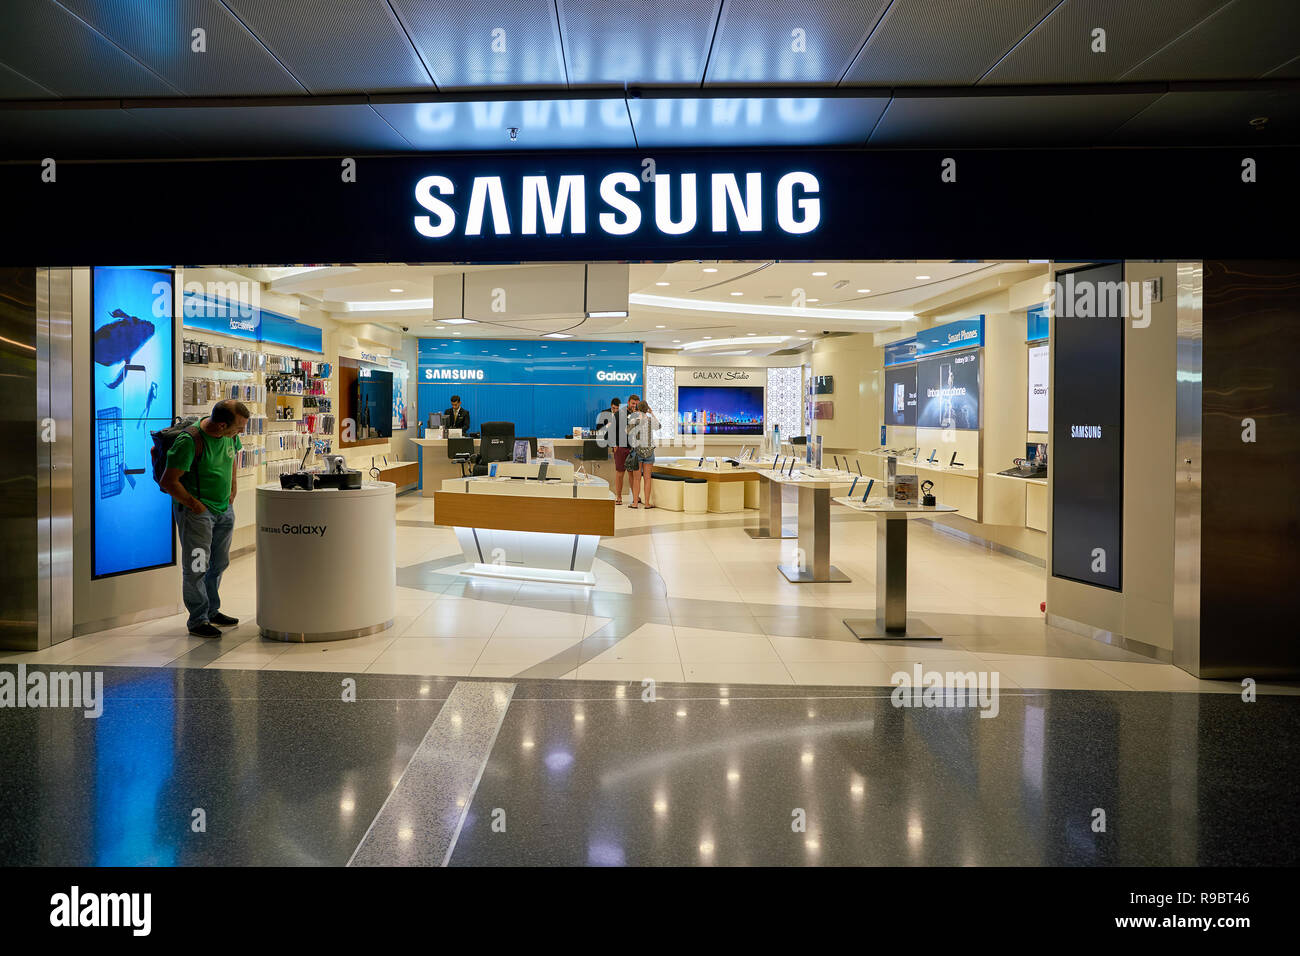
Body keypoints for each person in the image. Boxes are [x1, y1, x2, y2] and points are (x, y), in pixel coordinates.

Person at [160, 399, 249, 637]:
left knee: (219, 563)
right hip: (197, 515)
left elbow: (231, 461)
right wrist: (194, 505)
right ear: (221, 425)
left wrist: (233, 489)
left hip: (223, 510)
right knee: (197, 566)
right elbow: (168, 481)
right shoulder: (189, 441)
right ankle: (198, 619)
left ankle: (211, 610)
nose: (242, 432)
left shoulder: (230, 437)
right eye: (239, 427)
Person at [627, 399, 660, 509]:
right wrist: (652, 413)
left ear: (637, 408)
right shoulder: (650, 420)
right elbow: (659, 426)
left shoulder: (634, 419)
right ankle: (646, 503)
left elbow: (628, 432)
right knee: (647, 478)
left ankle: (635, 502)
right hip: (649, 451)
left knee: (637, 479)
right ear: (647, 409)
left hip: (637, 452)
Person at [597, 396, 630, 505]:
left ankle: (629, 494)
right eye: (613, 408)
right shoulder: (604, 413)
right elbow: (599, 429)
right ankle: (618, 495)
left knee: (628, 472)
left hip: (624, 445)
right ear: (611, 406)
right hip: (613, 444)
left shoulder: (624, 414)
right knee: (619, 472)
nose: (615, 410)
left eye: (617, 408)